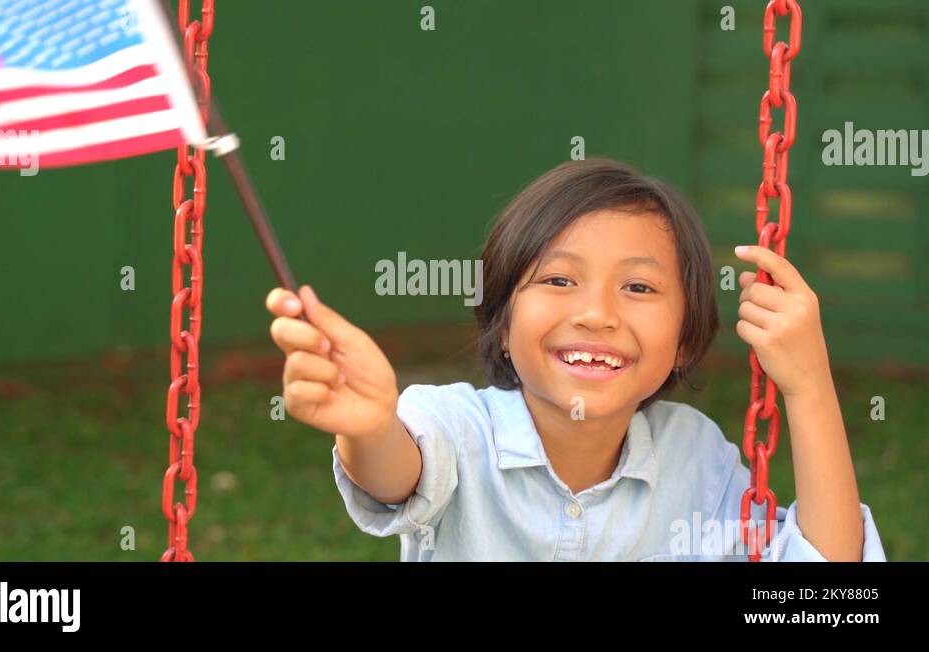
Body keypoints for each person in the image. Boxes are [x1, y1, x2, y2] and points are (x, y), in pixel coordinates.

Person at [265, 158, 887, 562]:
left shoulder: (699, 462)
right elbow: (394, 473)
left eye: (639, 288)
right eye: (559, 280)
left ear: (685, 339)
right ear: (503, 325)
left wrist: (808, 387)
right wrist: (368, 425)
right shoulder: (455, 427)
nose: (597, 313)